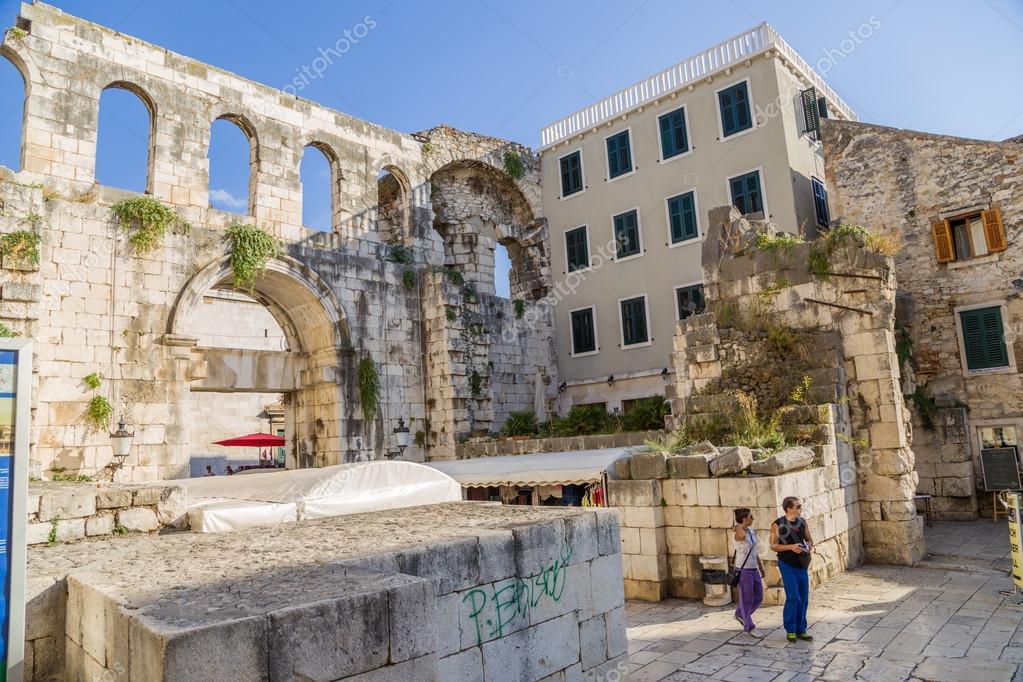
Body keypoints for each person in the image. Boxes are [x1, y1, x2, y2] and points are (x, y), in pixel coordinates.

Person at [770, 496, 814, 643]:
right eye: (798, 506)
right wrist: (791, 547)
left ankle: (801, 629)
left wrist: (808, 546)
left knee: (804, 598)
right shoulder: (777, 524)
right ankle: (790, 629)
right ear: (789, 509)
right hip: (787, 564)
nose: (800, 508)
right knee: (794, 597)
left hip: (801, 563)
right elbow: (773, 545)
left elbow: (809, 539)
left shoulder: (802, 522)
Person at [732, 508, 765, 637]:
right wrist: (737, 526)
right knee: (747, 599)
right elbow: (742, 536)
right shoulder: (737, 534)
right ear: (744, 519)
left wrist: (760, 567)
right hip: (743, 570)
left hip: (753, 568)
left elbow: (754, 550)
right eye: (751, 517)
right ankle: (749, 626)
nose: (753, 519)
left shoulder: (751, 530)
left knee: (759, 596)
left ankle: (740, 614)